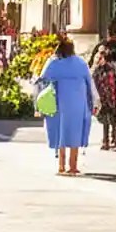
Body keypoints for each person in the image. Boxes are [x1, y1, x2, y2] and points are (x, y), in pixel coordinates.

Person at [36, 37, 96, 175]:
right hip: (78, 103)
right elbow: (90, 83)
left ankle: (61, 166)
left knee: (60, 131)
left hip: (59, 101)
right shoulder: (81, 63)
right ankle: (73, 166)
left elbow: (42, 78)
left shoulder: (54, 63)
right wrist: (94, 101)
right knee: (75, 132)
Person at [90, 44, 116, 151]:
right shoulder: (97, 68)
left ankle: (114, 140)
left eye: (102, 54)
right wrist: (95, 64)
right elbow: (91, 78)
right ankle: (106, 140)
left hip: (114, 96)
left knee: (115, 119)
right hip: (103, 97)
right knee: (105, 119)